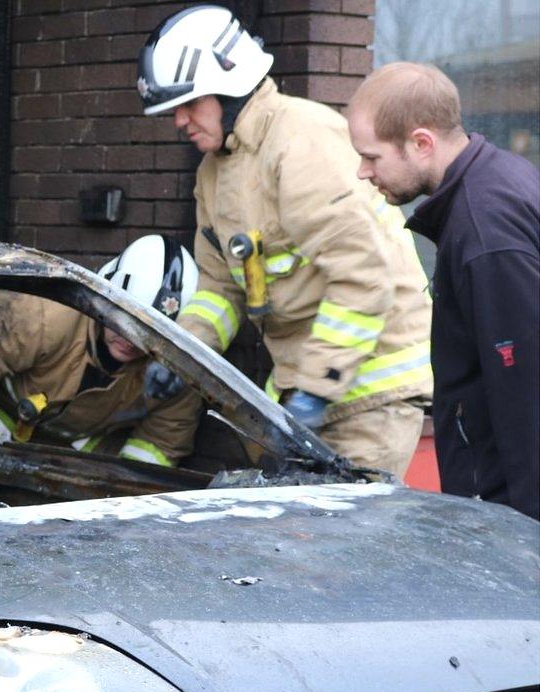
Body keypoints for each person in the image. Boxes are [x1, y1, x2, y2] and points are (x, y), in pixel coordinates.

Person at [136, 5, 433, 479]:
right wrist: (183, 354)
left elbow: (362, 276)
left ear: (230, 85)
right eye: (173, 109)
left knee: (346, 546)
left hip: (370, 397)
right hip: (301, 396)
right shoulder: (214, 175)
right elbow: (219, 290)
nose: (179, 121)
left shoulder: (302, 142)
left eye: (189, 104)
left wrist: (317, 388)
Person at [347, 62, 540, 519]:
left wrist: (527, 542)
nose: (361, 171)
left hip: (508, 513)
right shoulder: (500, 180)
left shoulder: (485, 234)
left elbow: (527, 396)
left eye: (372, 157)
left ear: (421, 143)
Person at [0, 234, 203, 467]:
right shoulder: (38, 315)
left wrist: (118, 510)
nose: (133, 340)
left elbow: (160, 446)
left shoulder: (173, 378)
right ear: (104, 295)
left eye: (150, 334)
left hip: (72, 461)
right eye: (126, 321)